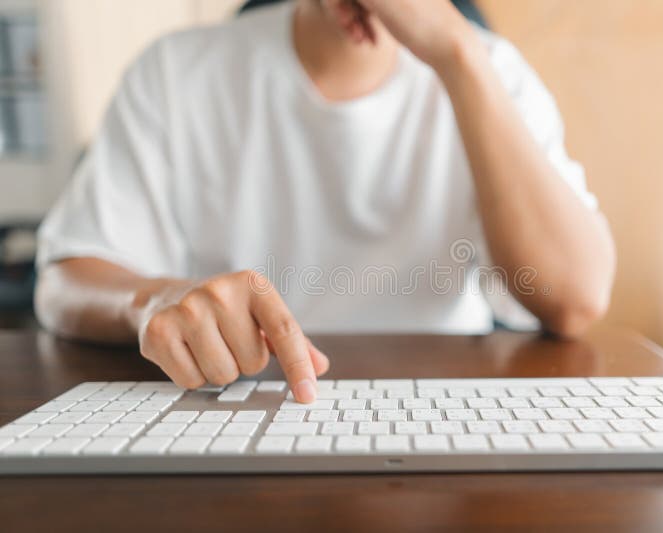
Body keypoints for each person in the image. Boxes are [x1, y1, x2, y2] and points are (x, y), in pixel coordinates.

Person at [34, 0, 616, 403]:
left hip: (440, 408)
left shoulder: (495, 72)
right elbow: (63, 282)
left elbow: (576, 300)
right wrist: (155, 300)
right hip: (231, 402)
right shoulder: (175, 72)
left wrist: (458, 53)